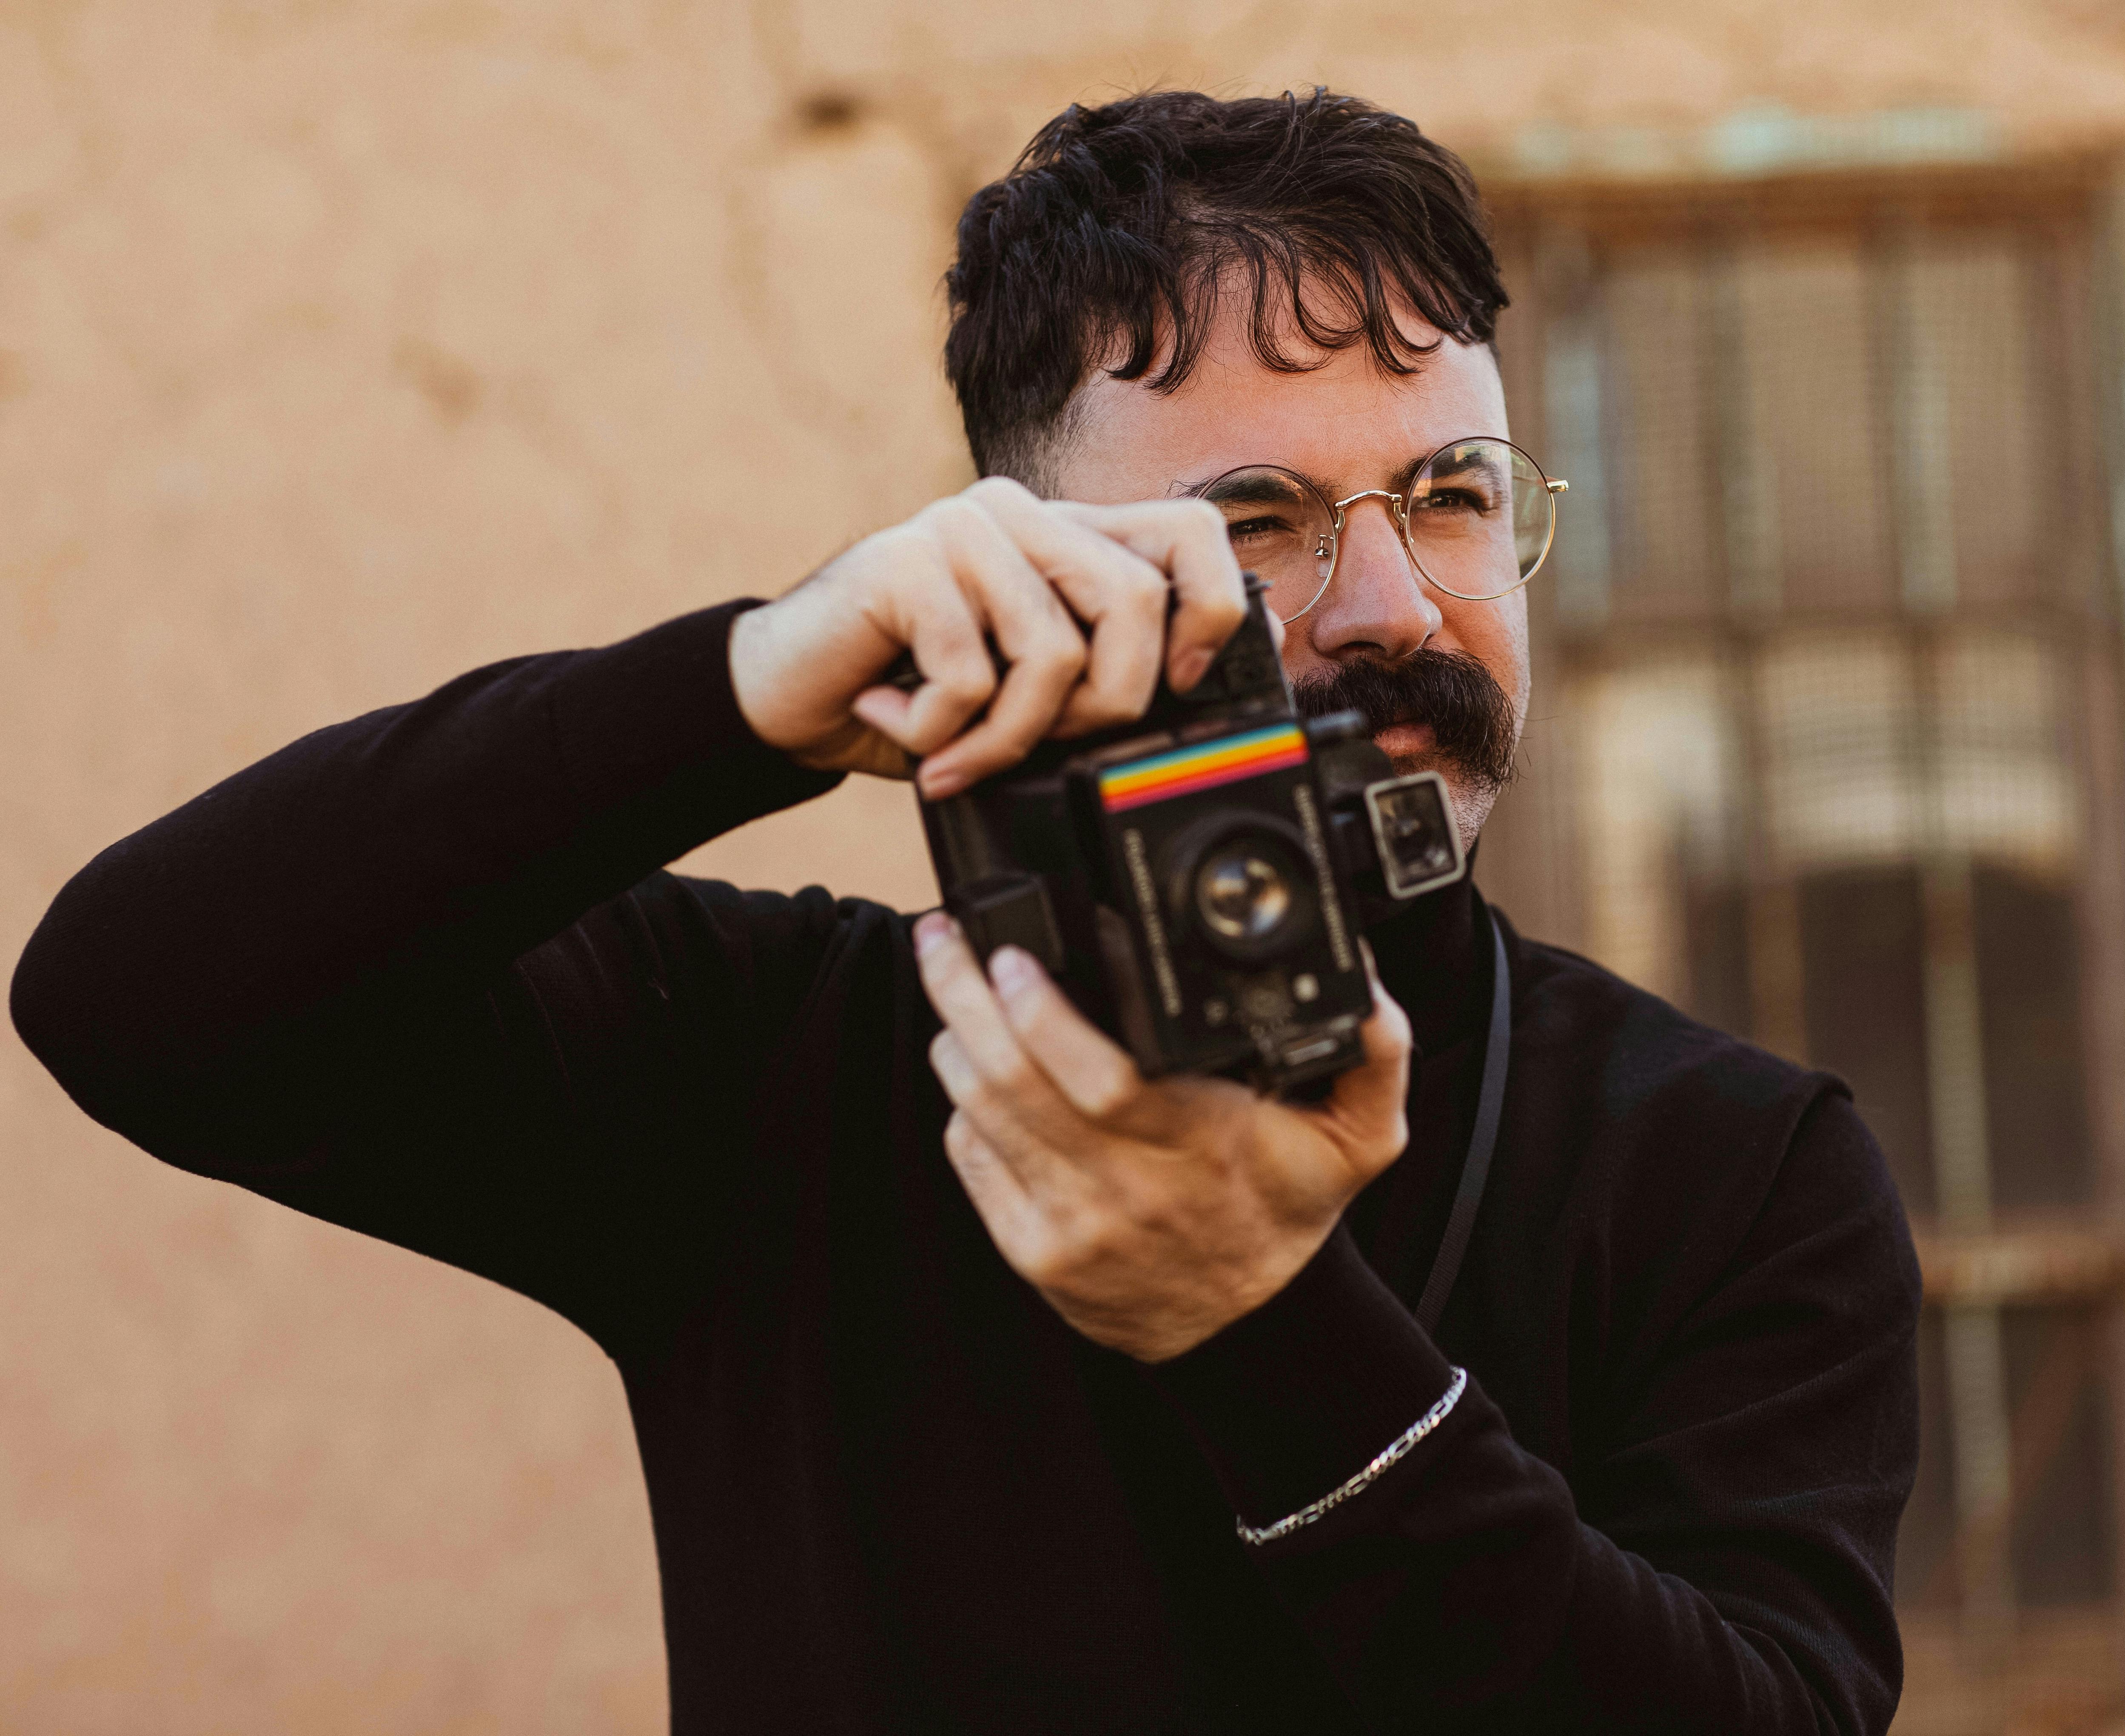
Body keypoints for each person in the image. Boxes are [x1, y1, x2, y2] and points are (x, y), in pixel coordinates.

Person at [11, 89, 1920, 1733]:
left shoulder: (1736, 1167)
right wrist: (742, 688)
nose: (1397, 610)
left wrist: (1257, 1319)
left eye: (1449, 495)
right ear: (1015, 564)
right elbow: (137, 992)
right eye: (1257, 521)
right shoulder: (785, 1071)